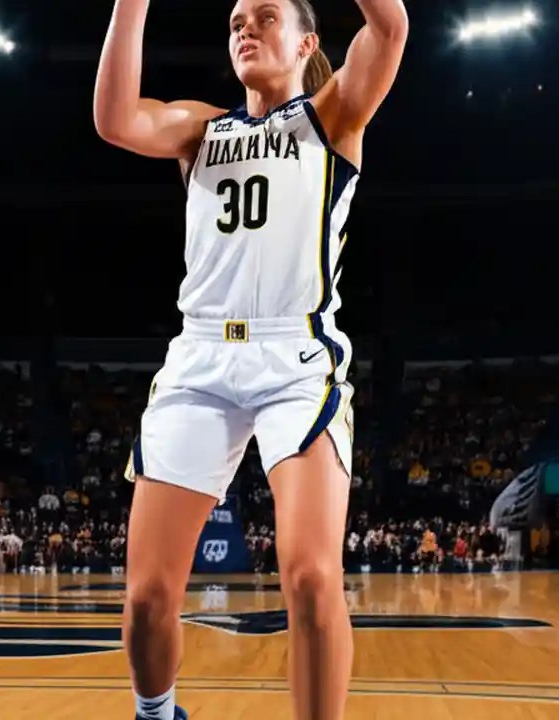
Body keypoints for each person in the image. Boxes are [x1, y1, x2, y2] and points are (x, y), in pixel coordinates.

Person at [93, 0, 407, 718]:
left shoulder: (333, 117)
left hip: (294, 355)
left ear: (306, 43)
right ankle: (158, 713)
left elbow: (390, 30)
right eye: (236, 19)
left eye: (265, 16)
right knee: (145, 598)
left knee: (308, 577)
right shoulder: (201, 130)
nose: (245, 27)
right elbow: (115, 121)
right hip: (199, 358)